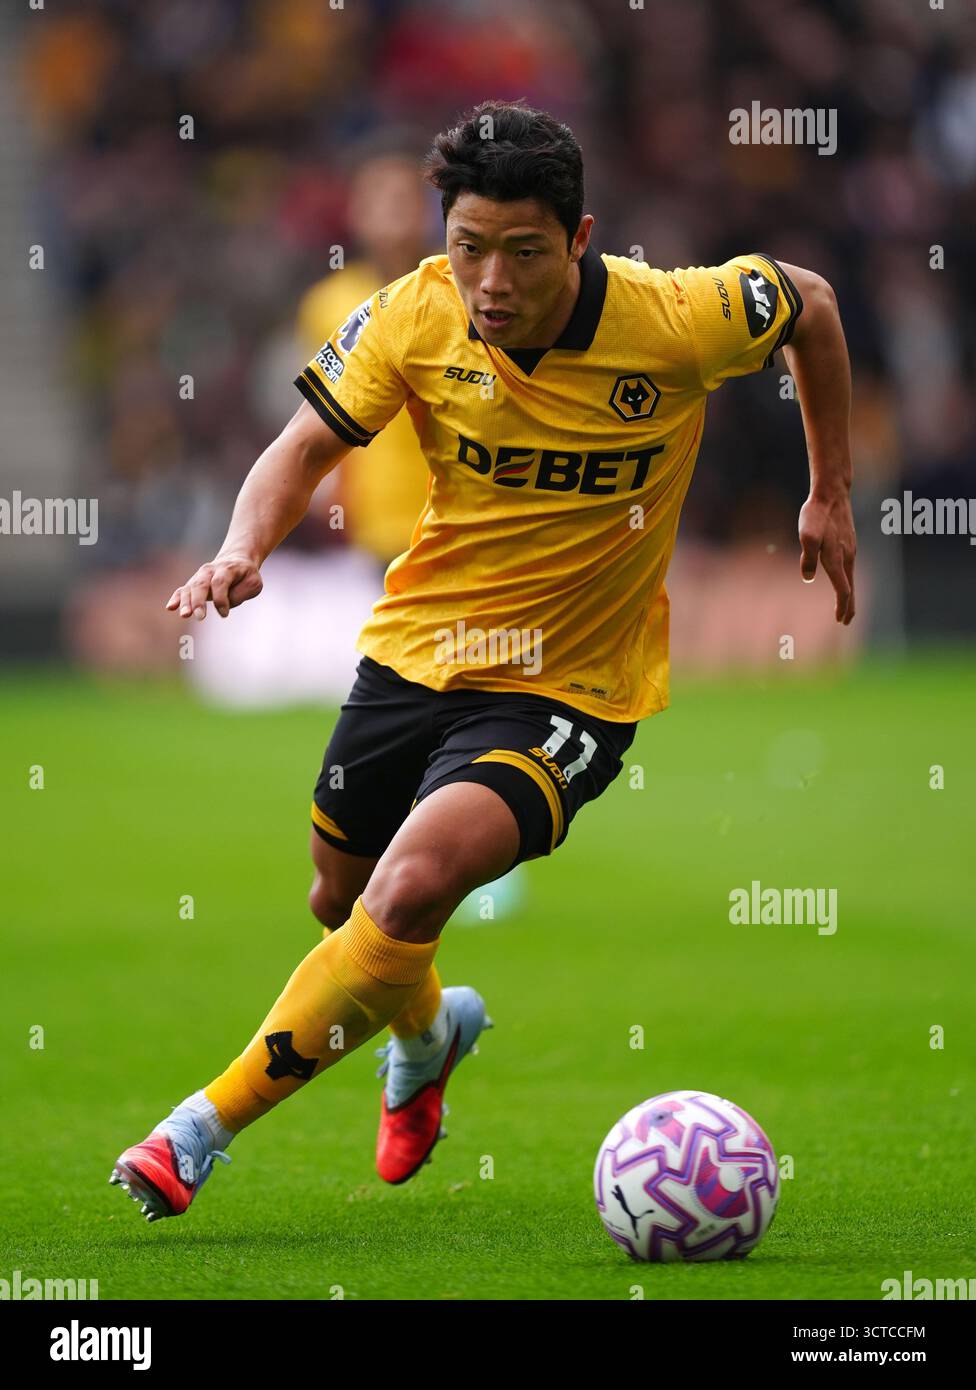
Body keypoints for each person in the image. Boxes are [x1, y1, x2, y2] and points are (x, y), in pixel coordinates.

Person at [111, 100, 855, 1220]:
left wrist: (829, 489)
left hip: (573, 688)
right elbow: (302, 444)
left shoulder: (678, 318)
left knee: (412, 886)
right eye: (467, 249)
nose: (491, 282)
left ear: (579, 237)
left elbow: (814, 304)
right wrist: (237, 548)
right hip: (421, 649)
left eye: (521, 252)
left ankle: (197, 1129)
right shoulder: (412, 314)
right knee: (342, 898)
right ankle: (429, 1030)